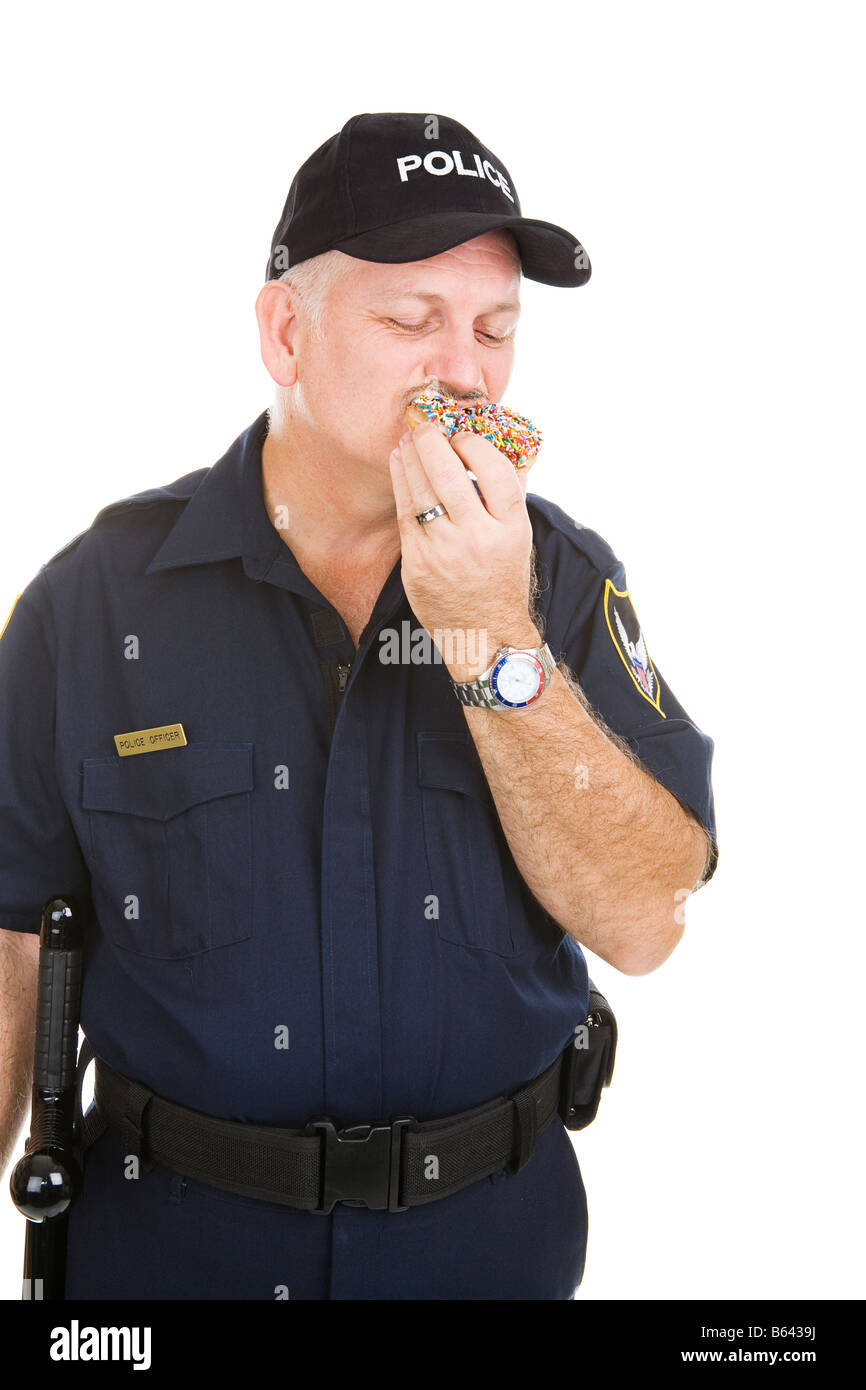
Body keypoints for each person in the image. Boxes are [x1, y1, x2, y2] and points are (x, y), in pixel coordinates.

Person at [0, 112, 717, 1300]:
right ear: (287, 332)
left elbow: (648, 919)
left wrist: (491, 636)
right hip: (164, 1264)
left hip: (487, 1255)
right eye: (410, 322)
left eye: (493, 329)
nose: (466, 374)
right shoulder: (90, 601)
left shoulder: (563, 580)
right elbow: (12, 945)